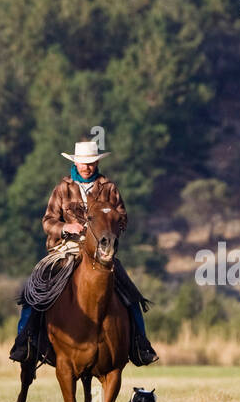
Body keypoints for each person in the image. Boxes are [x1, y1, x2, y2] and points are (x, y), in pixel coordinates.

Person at [9, 139, 158, 367]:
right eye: (83, 162)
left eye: (91, 162)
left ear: (97, 161)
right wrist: (65, 228)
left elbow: (123, 218)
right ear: (75, 162)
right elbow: (48, 221)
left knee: (131, 295)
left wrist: (107, 229)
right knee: (35, 291)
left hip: (101, 252)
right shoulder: (62, 188)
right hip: (65, 249)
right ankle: (25, 342)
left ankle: (141, 345)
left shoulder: (109, 189)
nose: (87, 166)